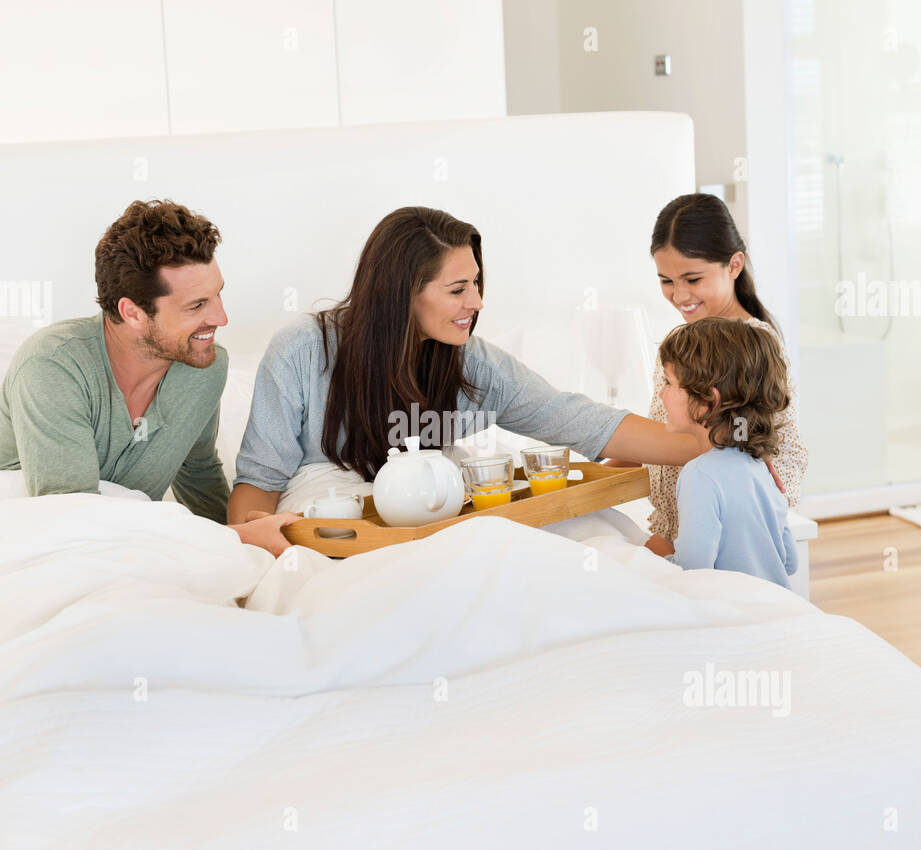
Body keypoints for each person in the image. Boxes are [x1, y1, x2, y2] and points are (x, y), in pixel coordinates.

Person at [227, 206, 705, 523]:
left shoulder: (475, 367)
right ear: (402, 292)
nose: (476, 302)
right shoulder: (302, 351)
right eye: (457, 289)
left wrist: (710, 444)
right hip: (335, 533)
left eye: (476, 283)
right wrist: (258, 546)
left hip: (434, 521)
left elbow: (582, 421)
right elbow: (257, 489)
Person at [0, 199, 297, 555]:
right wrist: (236, 539)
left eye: (218, 294)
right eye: (197, 305)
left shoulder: (204, 368)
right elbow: (70, 519)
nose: (222, 318)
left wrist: (243, 548)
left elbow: (198, 472)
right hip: (19, 545)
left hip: (122, 549)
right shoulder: (53, 366)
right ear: (133, 313)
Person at [604, 193, 807, 551]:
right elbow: (665, 430)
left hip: (720, 533)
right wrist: (596, 475)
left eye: (692, 279)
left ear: (734, 265)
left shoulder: (752, 344)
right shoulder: (683, 343)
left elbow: (727, 442)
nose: (679, 295)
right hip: (680, 525)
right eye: (666, 280)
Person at [646, 317, 798, 588]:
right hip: (777, 605)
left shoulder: (699, 475)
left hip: (730, 615)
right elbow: (789, 563)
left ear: (708, 401)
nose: (660, 394)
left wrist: (653, 561)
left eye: (668, 383)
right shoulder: (761, 467)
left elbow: (693, 573)